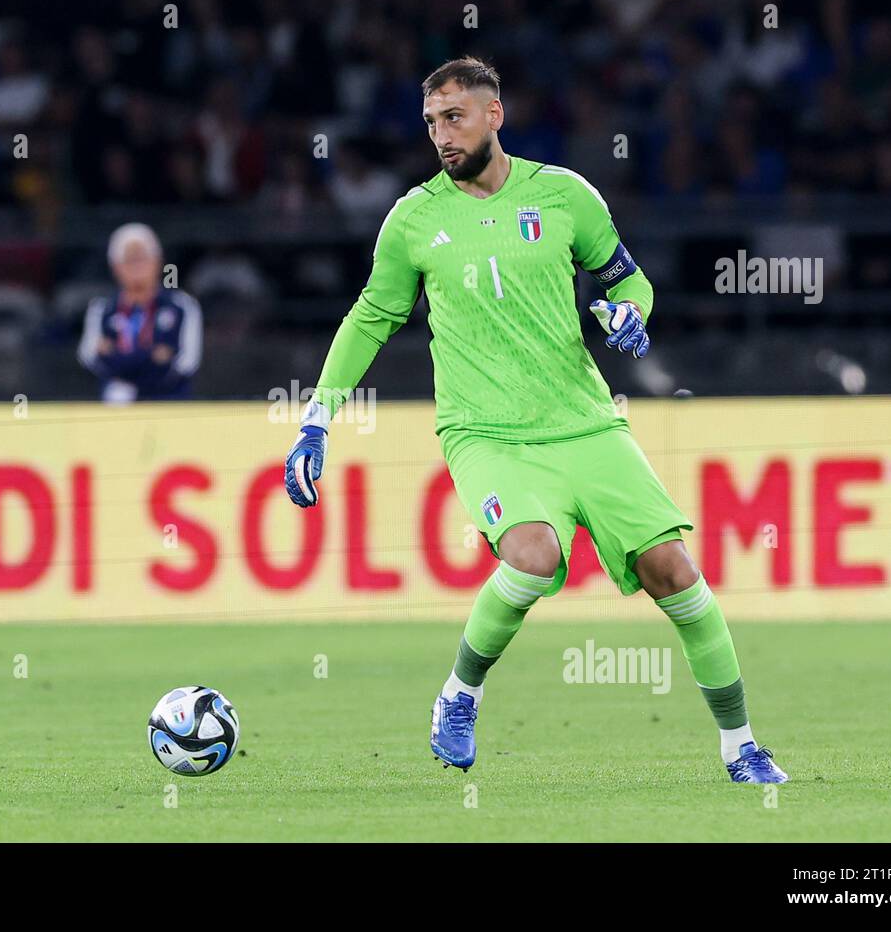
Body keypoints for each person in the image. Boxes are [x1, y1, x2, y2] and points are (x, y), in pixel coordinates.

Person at [282, 57, 787, 784]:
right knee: (532, 555)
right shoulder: (414, 218)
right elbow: (373, 316)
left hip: (584, 422)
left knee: (674, 572)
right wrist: (317, 419)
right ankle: (459, 695)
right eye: (430, 123)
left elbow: (629, 280)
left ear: (495, 115)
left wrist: (631, 316)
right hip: (485, 432)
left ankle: (740, 746)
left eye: (453, 117)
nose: (440, 136)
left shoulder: (564, 196)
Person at [78, 223, 202, 402]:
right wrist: (152, 357)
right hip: (115, 405)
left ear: (158, 261)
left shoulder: (182, 305)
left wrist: (119, 360)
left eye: (143, 257)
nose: (136, 266)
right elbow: (90, 356)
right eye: (128, 259)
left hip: (169, 402)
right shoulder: (101, 308)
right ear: (115, 266)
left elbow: (187, 362)